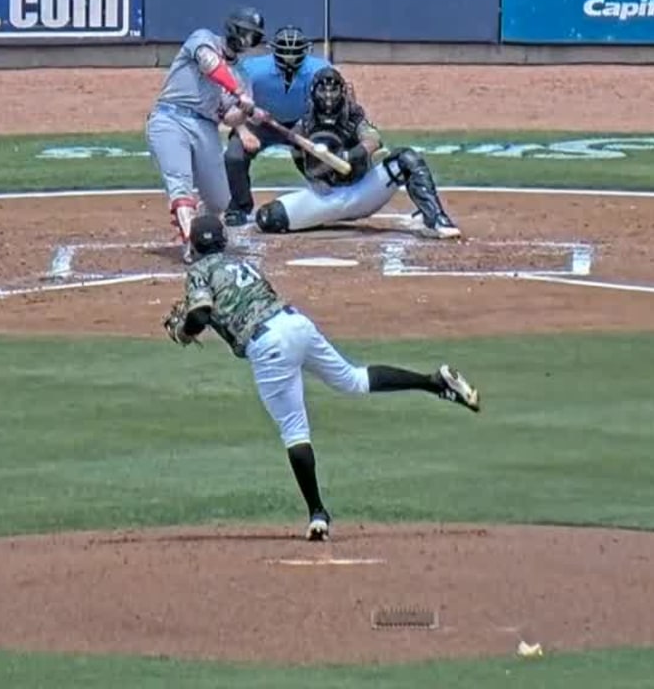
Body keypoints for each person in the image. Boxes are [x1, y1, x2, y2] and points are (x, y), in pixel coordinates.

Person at [163, 214, 480, 541]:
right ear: (224, 241)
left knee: (294, 429)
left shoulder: (200, 270)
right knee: (352, 379)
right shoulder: (243, 265)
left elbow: (200, 314)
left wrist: (186, 330)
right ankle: (435, 382)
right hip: (296, 324)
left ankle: (318, 514)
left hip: (268, 345)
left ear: (195, 246)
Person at [253, 67, 462, 239]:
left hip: (363, 191)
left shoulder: (353, 117)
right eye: (324, 91)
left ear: (342, 92)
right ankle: (320, 217)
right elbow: (297, 152)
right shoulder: (304, 124)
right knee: (268, 218)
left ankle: (436, 218)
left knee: (406, 158)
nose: (328, 96)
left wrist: (349, 156)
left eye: (333, 90)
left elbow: (374, 140)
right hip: (326, 198)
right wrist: (313, 178)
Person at [147, 6, 269, 263]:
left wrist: (245, 112)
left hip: (205, 127)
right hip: (170, 118)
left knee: (219, 201)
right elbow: (211, 65)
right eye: (245, 33)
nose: (248, 40)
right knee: (179, 183)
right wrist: (239, 94)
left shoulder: (243, 75)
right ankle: (193, 244)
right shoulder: (203, 39)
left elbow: (228, 118)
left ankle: (199, 225)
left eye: (253, 36)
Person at [222, 26, 332, 227]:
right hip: (259, 122)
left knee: (324, 149)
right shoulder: (252, 70)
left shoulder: (321, 70)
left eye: (295, 52)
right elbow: (230, 105)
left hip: (303, 122)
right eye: (286, 52)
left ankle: (324, 198)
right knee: (234, 156)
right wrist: (244, 131)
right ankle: (239, 205)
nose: (290, 58)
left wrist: (306, 125)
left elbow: (330, 105)